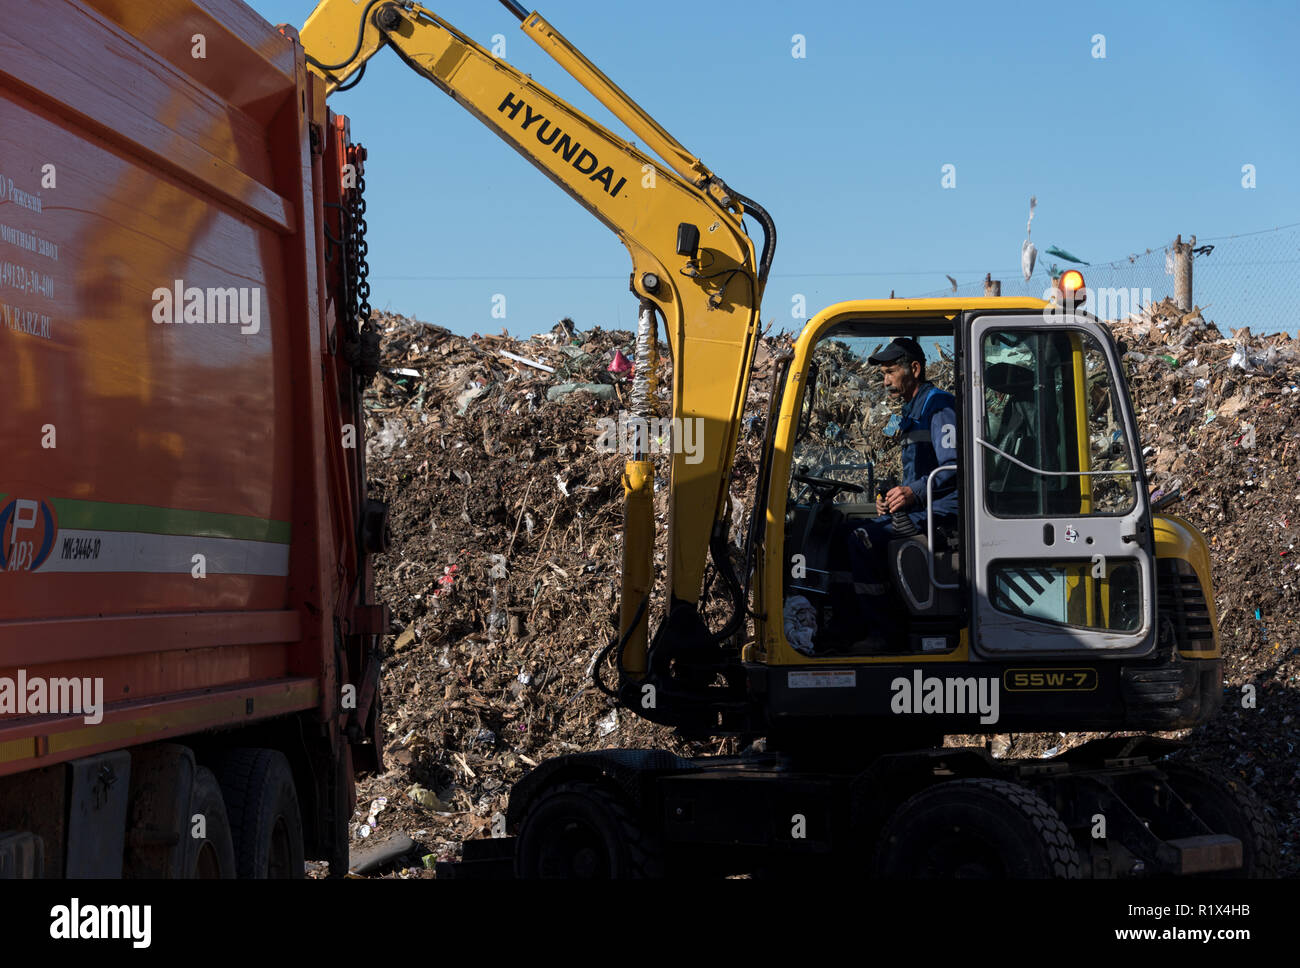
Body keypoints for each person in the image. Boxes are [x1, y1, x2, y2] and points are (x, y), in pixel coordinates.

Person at [824, 337, 958, 650]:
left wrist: (912, 492)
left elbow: (952, 468)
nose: (885, 380)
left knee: (863, 540)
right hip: (921, 507)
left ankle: (884, 634)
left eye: (891, 372)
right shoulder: (913, 410)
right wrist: (893, 496)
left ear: (915, 368)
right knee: (842, 532)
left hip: (944, 513)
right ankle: (847, 625)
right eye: (883, 374)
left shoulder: (938, 406)